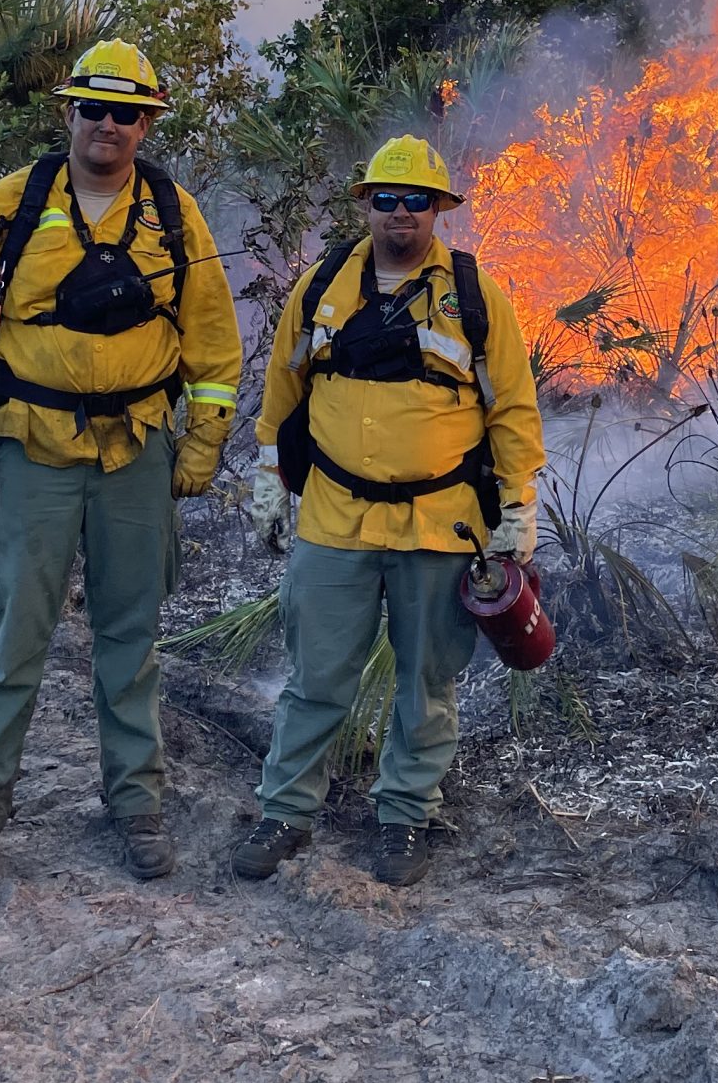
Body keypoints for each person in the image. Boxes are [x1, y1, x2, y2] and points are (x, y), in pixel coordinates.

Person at [0, 39, 241, 890]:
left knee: (129, 641)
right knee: (14, 641)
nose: (109, 125)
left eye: (126, 113)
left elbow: (211, 340)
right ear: (68, 113)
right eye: (93, 109)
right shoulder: (12, 205)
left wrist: (202, 441)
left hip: (137, 451)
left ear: (146, 123)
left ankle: (136, 806)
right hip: (33, 451)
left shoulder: (174, 213)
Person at [233, 135, 544, 890]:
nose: (400, 214)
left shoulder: (475, 297)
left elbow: (513, 412)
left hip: (441, 524)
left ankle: (405, 816)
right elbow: (281, 395)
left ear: (439, 208)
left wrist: (518, 505)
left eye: (416, 201)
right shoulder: (321, 289)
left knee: (426, 682)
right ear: (365, 204)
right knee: (316, 677)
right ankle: (284, 812)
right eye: (385, 199)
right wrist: (271, 478)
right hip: (334, 519)